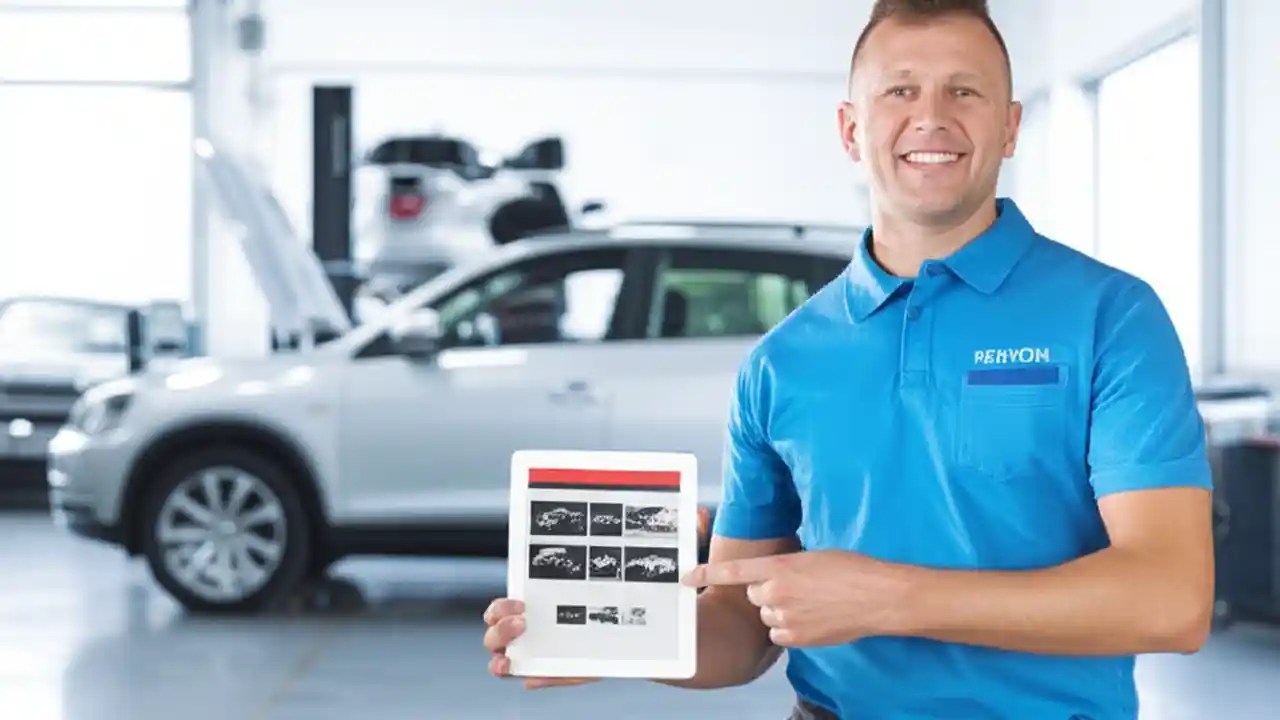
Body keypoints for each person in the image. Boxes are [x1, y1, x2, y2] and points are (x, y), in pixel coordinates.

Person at [483, 0, 1216, 717]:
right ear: (850, 128)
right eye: (900, 90)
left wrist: (890, 597)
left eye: (965, 90)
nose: (931, 116)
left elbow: (1171, 599)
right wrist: (618, 638)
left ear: (1011, 125)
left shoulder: (1110, 315)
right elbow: (740, 628)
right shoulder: (782, 359)